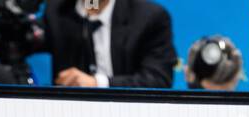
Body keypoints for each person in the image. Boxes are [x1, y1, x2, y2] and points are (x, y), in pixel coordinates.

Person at [43, 0, 175, 88]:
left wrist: (97, 83)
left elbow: (158, 79)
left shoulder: (149, 17)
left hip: (130, 115)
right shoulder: (57, 11)